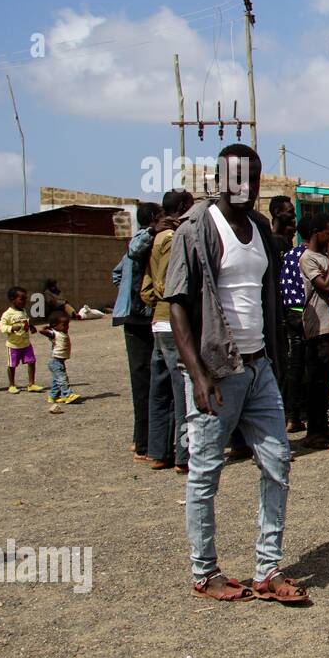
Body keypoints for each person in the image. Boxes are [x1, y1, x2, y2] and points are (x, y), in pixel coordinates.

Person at [165, 143, 307, 605]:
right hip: (216, 370)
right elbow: (178, 307)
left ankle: (268, 570)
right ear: (219, 179)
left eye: (252, 177)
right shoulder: (196, 228)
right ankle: (205, 573)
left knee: (277, 462)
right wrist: (199, 375)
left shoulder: (262, 228)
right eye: (235, 177)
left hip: (258, 364)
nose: (244, 186)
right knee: (206, 472)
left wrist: (274, 363)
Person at [143, 188, 195, 472]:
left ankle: (157, 451)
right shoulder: (173, 239)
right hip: (172, 321)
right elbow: (168, 282)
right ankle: (183, 455)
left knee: (160, 390)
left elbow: (148, 287)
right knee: (182, 390)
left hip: (158, 321)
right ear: (185, 206)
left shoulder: (156, 238)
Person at [112, 202, 163, 459]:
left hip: (135, 318)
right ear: (154, 218)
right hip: (140, 319)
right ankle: (144, 444)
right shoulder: (144, 239)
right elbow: (133, 251)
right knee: (146, 382)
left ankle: (140, 439)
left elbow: (117, 274)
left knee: (145, 382)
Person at [300, 212, 329, 449]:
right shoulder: (309, 258)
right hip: (319, 328)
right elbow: (326, 286)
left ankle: (321, 428)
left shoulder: (325, 257)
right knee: (317, 382)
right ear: (317, 233)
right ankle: (314, 431)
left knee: (325, 380)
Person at [279, 216, 312, 432]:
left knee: (295, 364)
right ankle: (306, 413)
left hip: (291, 313)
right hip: (309, 314)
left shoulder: (290, 255)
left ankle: (292, 416)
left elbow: (283, 284)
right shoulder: (314, 257)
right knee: (311, 366)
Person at [0, 286, 41, 394]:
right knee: (12, 365)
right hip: (14, 345)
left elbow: (25, 321)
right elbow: (1, 327)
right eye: (21, 299)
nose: (24, 301)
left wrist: (31, 326)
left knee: (32, 362)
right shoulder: (7, 314)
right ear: (13, 299)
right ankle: (12, 385)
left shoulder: (23, 311)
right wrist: (11, 328)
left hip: (26, 344)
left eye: (25, 299)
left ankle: (31, 384)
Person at [38, 309, 79, 406]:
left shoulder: (62, 333)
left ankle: (53, 396)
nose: (67, 327)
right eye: (64, 325)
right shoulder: (54, 333)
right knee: (62, 379)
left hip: (60, 361)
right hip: (55, 362)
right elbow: (41, 331)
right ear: (55, 326)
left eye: (67, 324)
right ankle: (68, 394)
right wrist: (48, 327)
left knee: (57, 380)